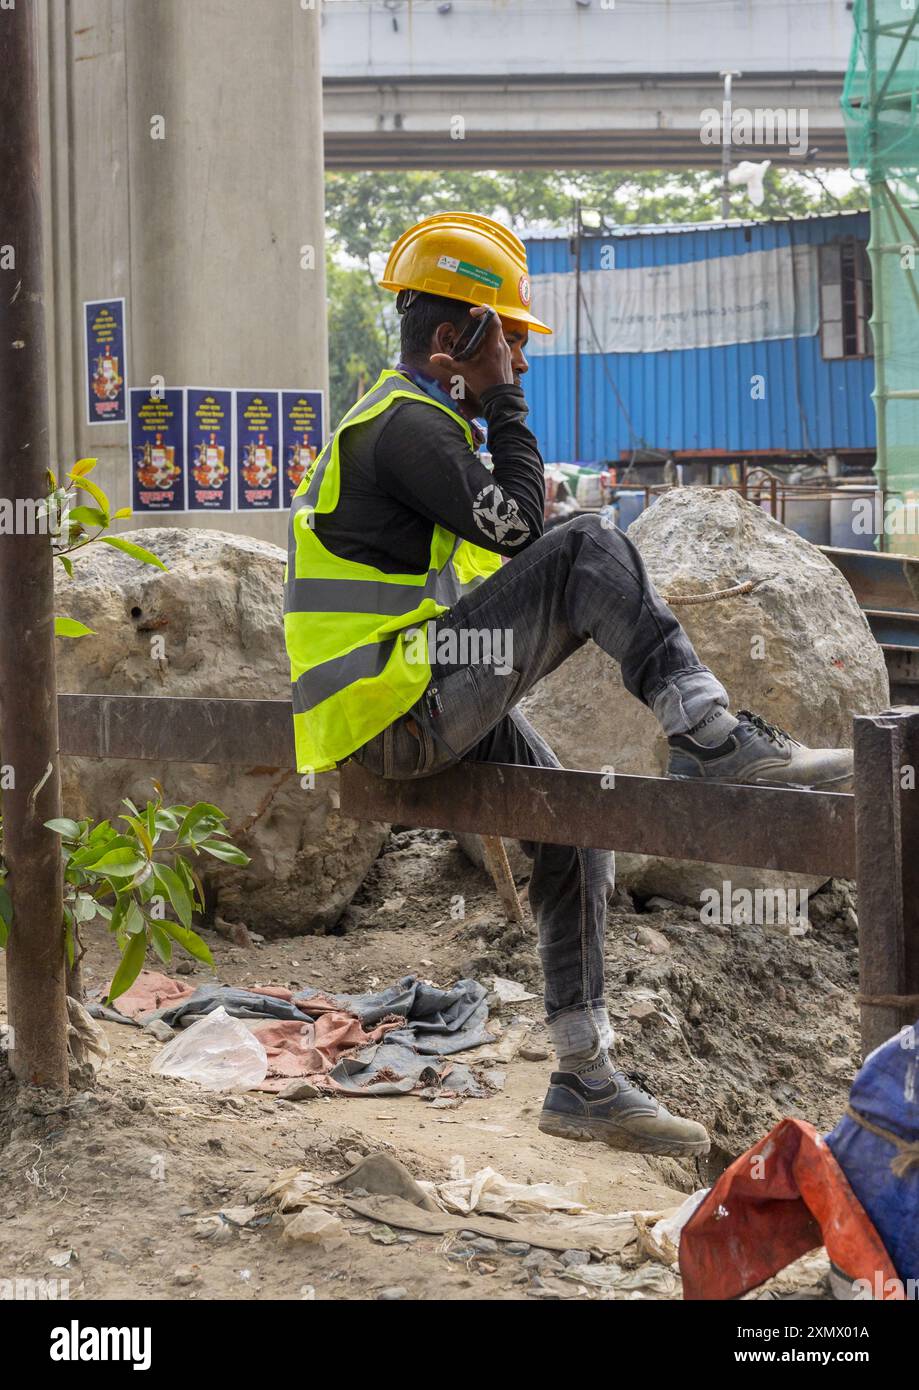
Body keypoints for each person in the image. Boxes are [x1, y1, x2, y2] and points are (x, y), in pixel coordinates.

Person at [284, 213, 853, 1156]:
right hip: (395, 710)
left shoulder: (407, 424)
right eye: (505, 340)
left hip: (401, 699)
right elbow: (521, 527)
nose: (519, 363)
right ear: (450, 341)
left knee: (575, 833)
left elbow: (498, 536)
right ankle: (707, 735)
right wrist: (502, 405)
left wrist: (495, 393)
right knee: (590, 542)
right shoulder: (406, 426)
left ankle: (582, 1078)